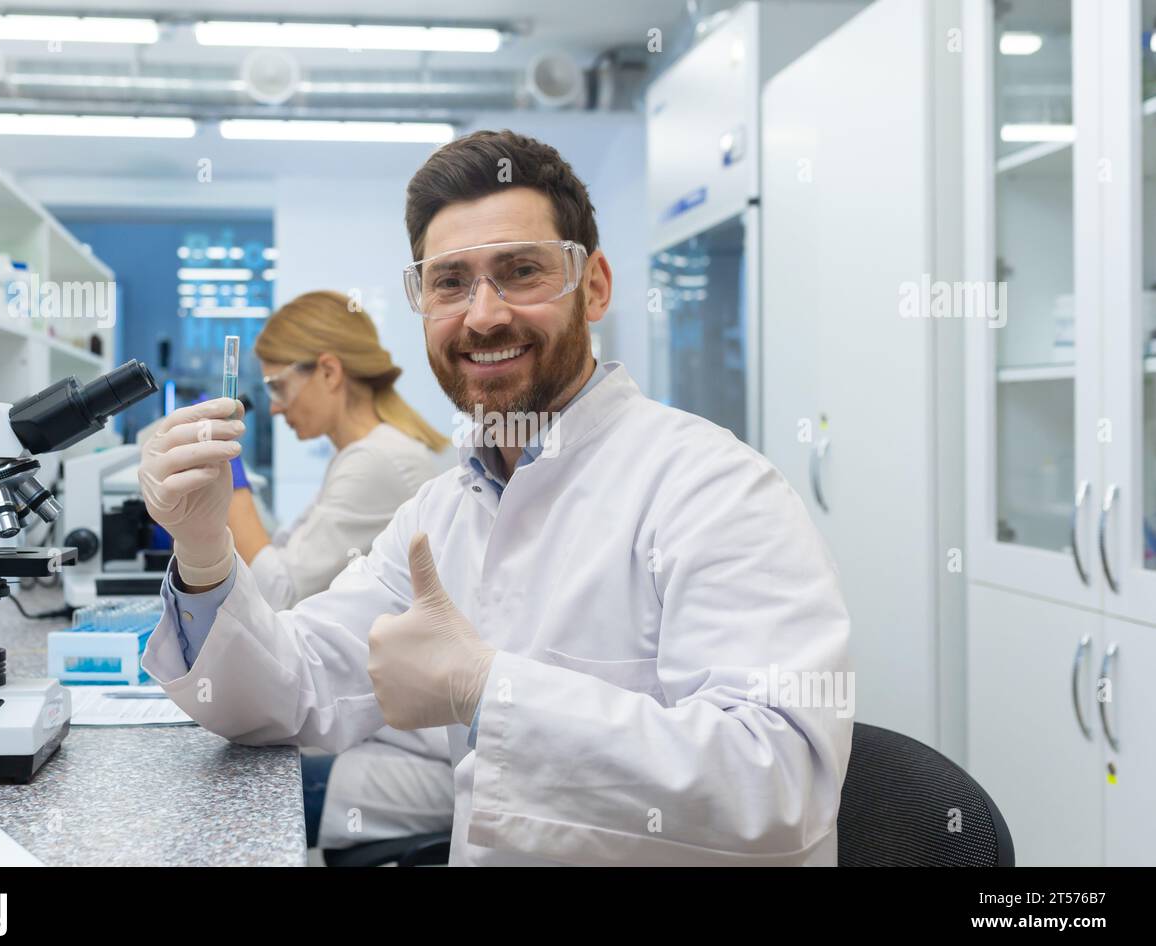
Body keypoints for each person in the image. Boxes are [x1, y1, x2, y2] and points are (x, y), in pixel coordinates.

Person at [138, 129, 853, 866]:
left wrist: (489, 691)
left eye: (520, 271)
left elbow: (780, 784)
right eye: (450, 282)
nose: (483, 315)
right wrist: (202, 552)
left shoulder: (717, 489)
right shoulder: (442, 512)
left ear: (595, 286)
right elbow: (292, 691)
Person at [225, 291, 456, 851]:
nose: (274, 407)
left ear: (328, 371)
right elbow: (284, 552)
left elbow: (278, 589)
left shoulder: (378, 460)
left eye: (278, 386)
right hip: (386, 730)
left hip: (418, 757)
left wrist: (226, 476)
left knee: (240, 800)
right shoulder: (359, 453)